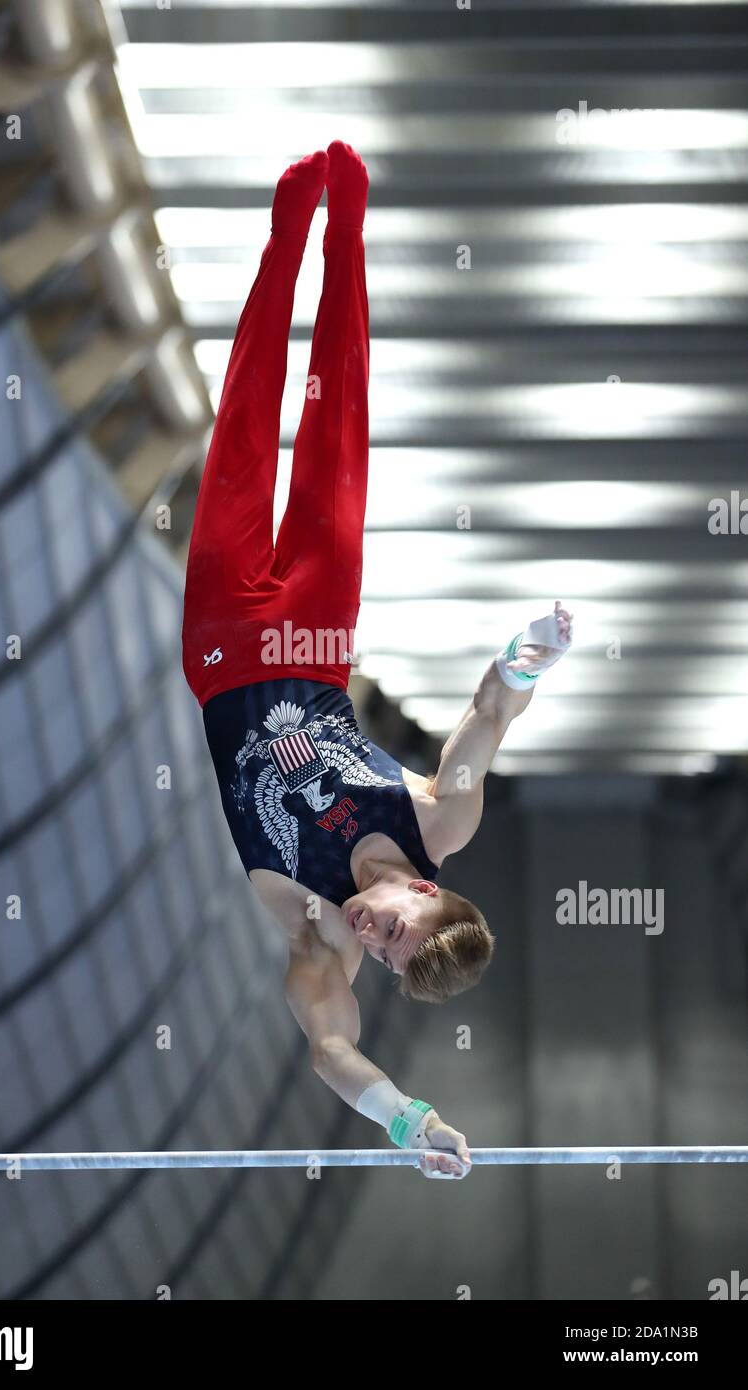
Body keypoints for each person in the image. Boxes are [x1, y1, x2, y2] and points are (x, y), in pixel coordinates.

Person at [182, 144, 573, 1179]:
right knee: (334, 427)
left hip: (222, 647)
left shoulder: (316, 928)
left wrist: (404, 1120)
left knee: (242, 422)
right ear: (432, 893)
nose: (377, 932)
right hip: (314, 637)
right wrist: (524, 660)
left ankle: (284, 233)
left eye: (387, 954)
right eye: (400, 928)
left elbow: (328, 1046)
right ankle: (342, 228)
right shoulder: (440, 818)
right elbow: (484, 722)